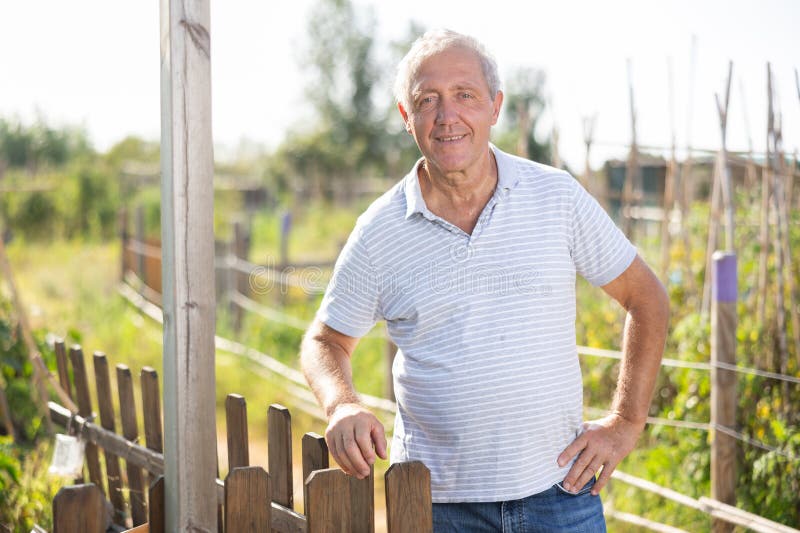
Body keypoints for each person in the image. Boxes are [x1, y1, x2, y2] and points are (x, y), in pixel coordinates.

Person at [300, 28, 669, 532]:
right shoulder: (380, 230)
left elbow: (646, 298)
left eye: (465, 96)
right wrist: (341, 404)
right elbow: (325, 341)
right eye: (428, 100)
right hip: (436, 506)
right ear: (408, 119)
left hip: (560, 495)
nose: (447, 116)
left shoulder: (556, 197)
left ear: (495, 106)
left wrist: (626, 423)